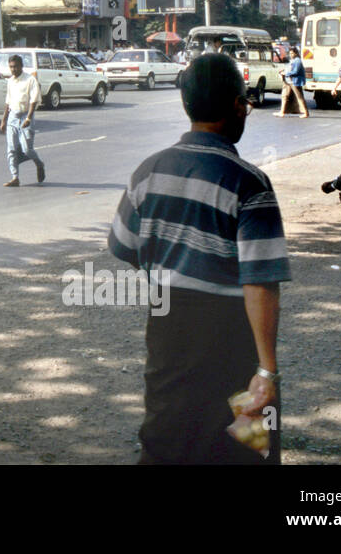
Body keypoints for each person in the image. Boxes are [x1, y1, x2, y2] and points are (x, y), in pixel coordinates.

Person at [109, 53, 289, 464]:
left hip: (168, 329)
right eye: (244, 101)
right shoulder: (249, 182)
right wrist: (266, 371)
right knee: (246, 441)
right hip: (232, 336)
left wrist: (173, 267)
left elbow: (124, 246)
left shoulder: (148, 171)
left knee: (169, 433)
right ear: (236, 107)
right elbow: (260, 282)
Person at [0, 55, 45, 187]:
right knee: (11, 149)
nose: (13, 69)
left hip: (25, 115)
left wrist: (29, 118)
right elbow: (8, 102)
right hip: (13, 117)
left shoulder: (30, 80)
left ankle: (39, 163)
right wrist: (3, 120)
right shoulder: (10, 81)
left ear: (21, 66)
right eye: (11, 67)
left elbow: (34, 100)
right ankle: (15, 177)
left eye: (15, 66)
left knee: (26, 149)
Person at [278, 47, 309, 118]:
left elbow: (295, 71)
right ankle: (282, 112)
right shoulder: (292, 60)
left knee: (299, 97)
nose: (291, 55)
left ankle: (306, 113)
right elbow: (289, 68)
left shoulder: (297, 61)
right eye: (290, 53)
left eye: (292, 53)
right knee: (284, 96)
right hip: (288, 81)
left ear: (296, 53)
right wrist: (283, 70)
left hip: (295, 81)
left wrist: (285, 73)